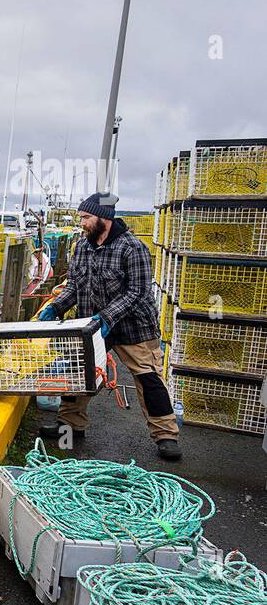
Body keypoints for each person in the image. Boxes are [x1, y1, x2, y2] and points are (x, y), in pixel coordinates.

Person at [37, 192, 180, 461]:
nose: (82, 222)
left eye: (86, 217)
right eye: (81, 217)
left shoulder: (132, 247)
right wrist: (56, 307)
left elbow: (137, 291)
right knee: (77, 371)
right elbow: (75, 287)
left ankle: (166, 435)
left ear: (104, 219)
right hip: (92, 323)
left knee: (148, 378)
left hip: (134, 326)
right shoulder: (82, 246)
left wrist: (107, 317)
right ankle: (70, 425)